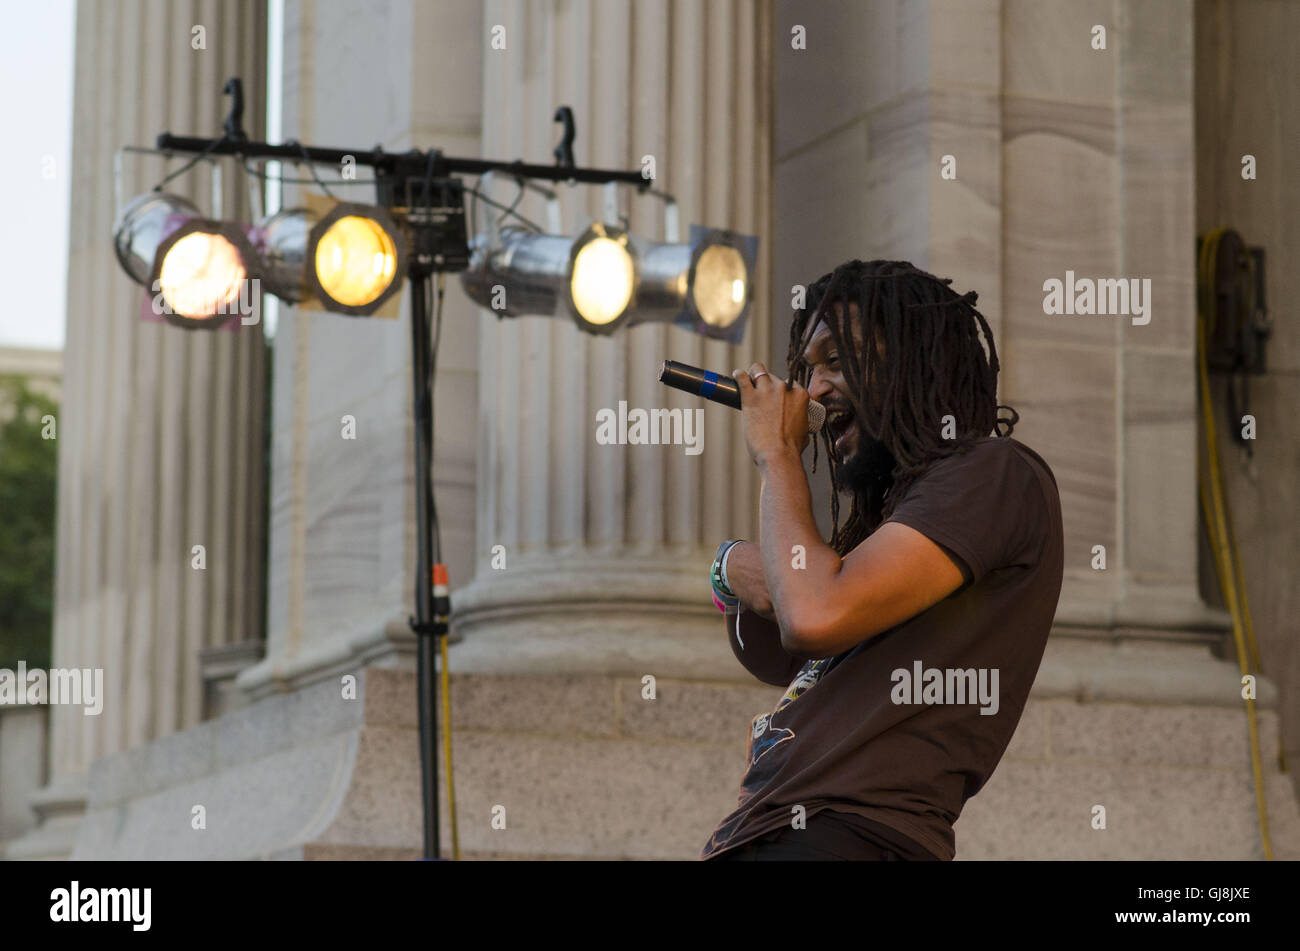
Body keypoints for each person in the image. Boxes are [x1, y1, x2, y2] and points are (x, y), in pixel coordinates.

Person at [701, 259, 1064, 861]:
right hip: (774, 829)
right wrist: (728, 572)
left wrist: (776, 455)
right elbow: (779, 651)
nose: (813, 390)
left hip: (850, 836)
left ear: (916, 363)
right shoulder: (889, 520)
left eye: (836, 362)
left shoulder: (994, 474)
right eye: (806, 370)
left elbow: (812, 614)